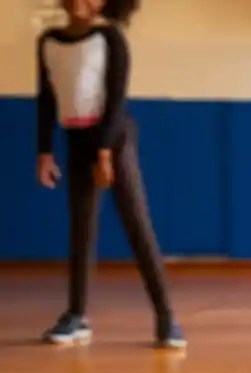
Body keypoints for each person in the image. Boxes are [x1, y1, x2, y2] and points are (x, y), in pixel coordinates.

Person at [35, 0, 186, 349]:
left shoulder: (110, 38)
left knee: (137, 226)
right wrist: (44, 151)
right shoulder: (48, 41)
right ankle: (76, 315)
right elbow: (46, 98)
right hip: (76, 139)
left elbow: (116, 99)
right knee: (81, 229)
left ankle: (166, 318)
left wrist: (105, 153)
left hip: (114, 139)